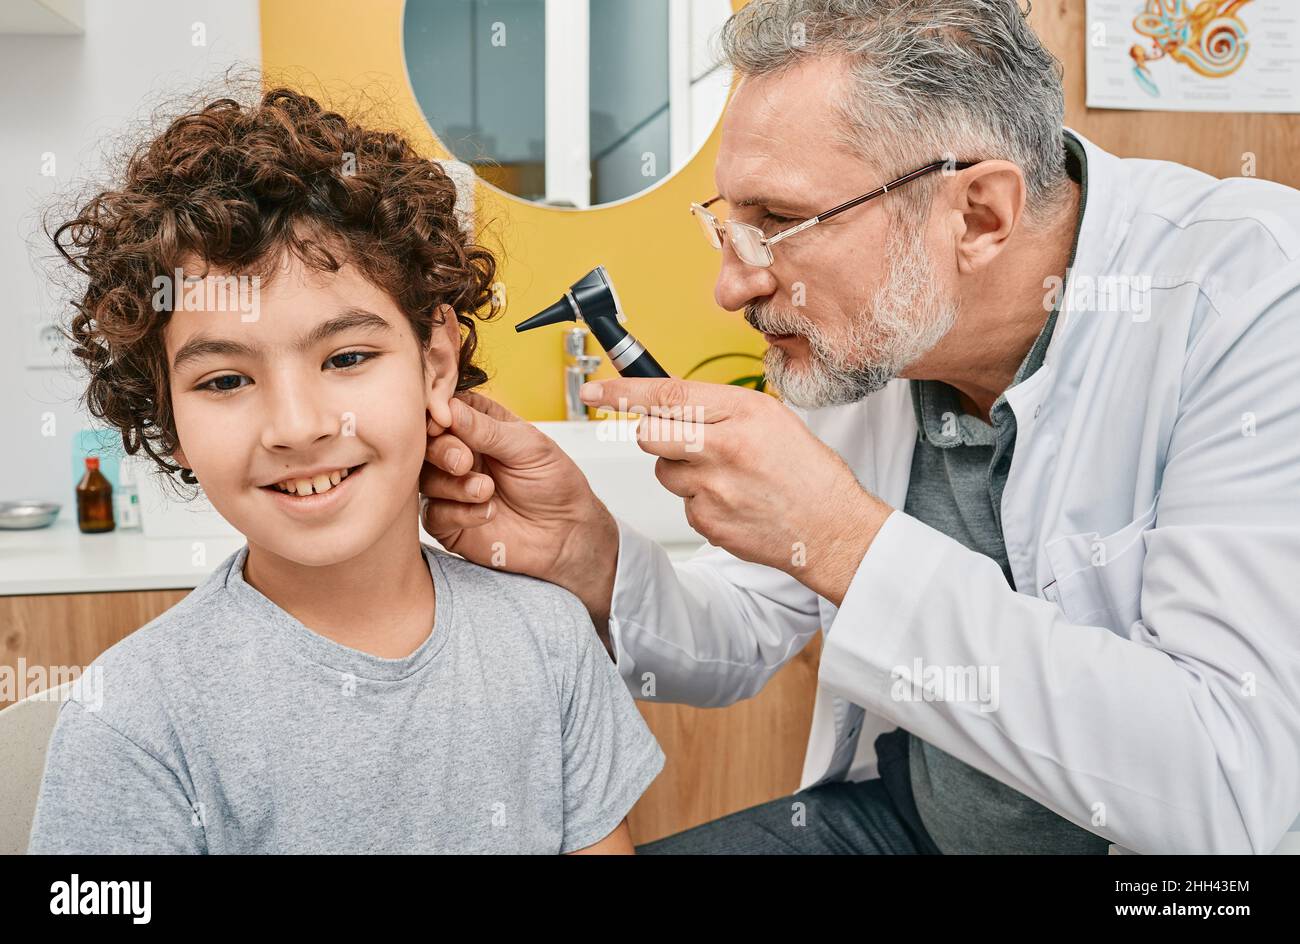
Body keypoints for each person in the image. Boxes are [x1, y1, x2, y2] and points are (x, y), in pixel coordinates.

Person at [420, 0, 1300, 854]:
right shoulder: (882, 339)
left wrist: (842, 536)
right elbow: (744, 628)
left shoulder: (1253, 298)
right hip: (907, 820)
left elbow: (1227, 790)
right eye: (729, 224)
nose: (731, 288)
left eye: (778, 224)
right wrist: (590, 557)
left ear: (979, 214)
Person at [28, 87, 663, 854]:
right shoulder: (134, 718)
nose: (297, 426)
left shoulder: (549, 642)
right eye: (225, 380)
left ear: (435, 365)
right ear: (168, 416)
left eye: (347, 357)